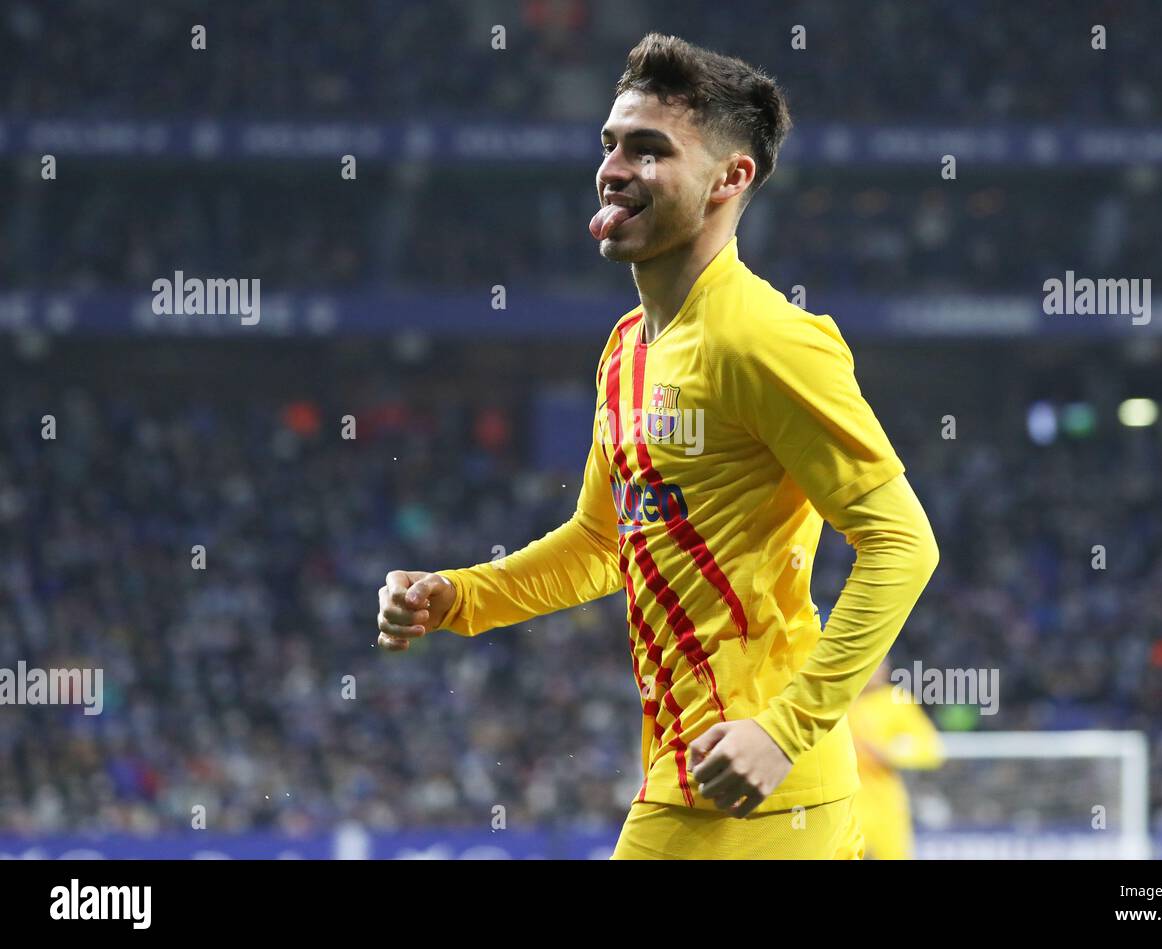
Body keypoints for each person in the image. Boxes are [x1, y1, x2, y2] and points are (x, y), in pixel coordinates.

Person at [377, 33, 939, 859]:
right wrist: (459, 597)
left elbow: (902, 544)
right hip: (709, 775)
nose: (614, 168)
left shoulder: (766, 341)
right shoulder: (625, 351)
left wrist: (781, 734)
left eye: (650, 151)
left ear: (730, 178)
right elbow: (603, 542)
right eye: (610, 144)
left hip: (747, 783)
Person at [848, 661, 945, 859]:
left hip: (885, 804)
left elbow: (931, 749)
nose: (876, 670)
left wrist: (891, 755)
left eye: (880, 664)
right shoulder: (838, 701)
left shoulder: (896, 700)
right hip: (845, 803)